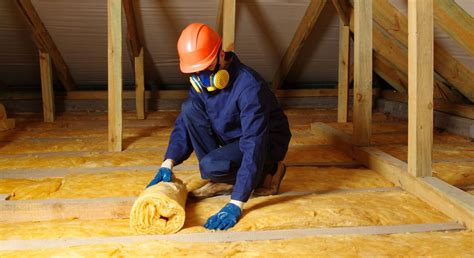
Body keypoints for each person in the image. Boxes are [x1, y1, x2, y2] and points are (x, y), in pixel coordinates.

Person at [146, 23, 291, 230]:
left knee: (211, 165)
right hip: (232, 135)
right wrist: (168, 162)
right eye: (194, 71)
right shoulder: (201, 80)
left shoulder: (249, 87)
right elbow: (185, 122)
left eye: (205, 69)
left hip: (265, 141)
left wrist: (236, 202)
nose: (200, 77)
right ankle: (224, 175)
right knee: (189, 108)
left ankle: (268, 173)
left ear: (221, 55)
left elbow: (254, 143)